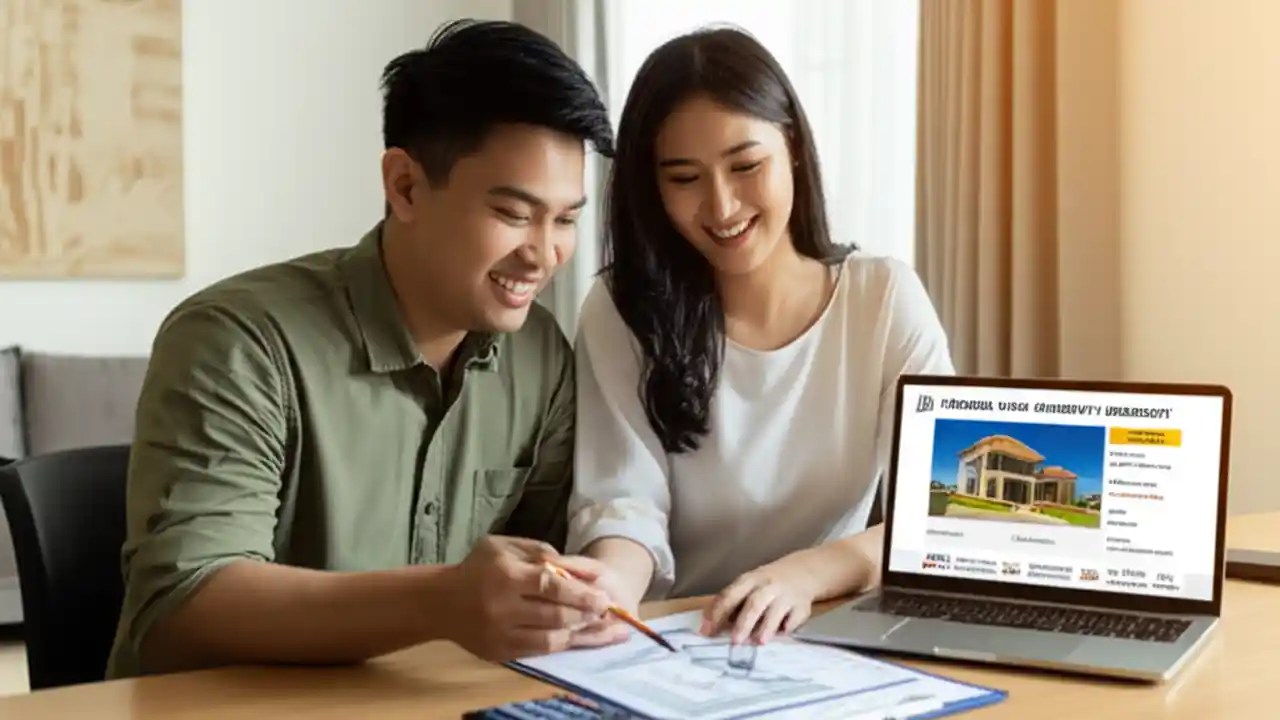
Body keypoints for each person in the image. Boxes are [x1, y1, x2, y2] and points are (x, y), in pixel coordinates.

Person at [106, 19, 627, 679]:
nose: (542, 254)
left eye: (567, 219)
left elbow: (537, 581)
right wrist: (443, 601)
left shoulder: (540, 357)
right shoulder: (238, 341)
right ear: (405, 186)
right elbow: (180, 611)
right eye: (514, 214)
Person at [566, 27, 956, 647]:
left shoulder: (882, 299)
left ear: (794, 147)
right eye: (684, 178)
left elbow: (938, 516)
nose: (721, 207)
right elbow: (623, 504)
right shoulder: (621, 309)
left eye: (746, 166)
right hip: (680, 639)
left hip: (830, 631)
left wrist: (806, 574)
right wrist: (607, 587)